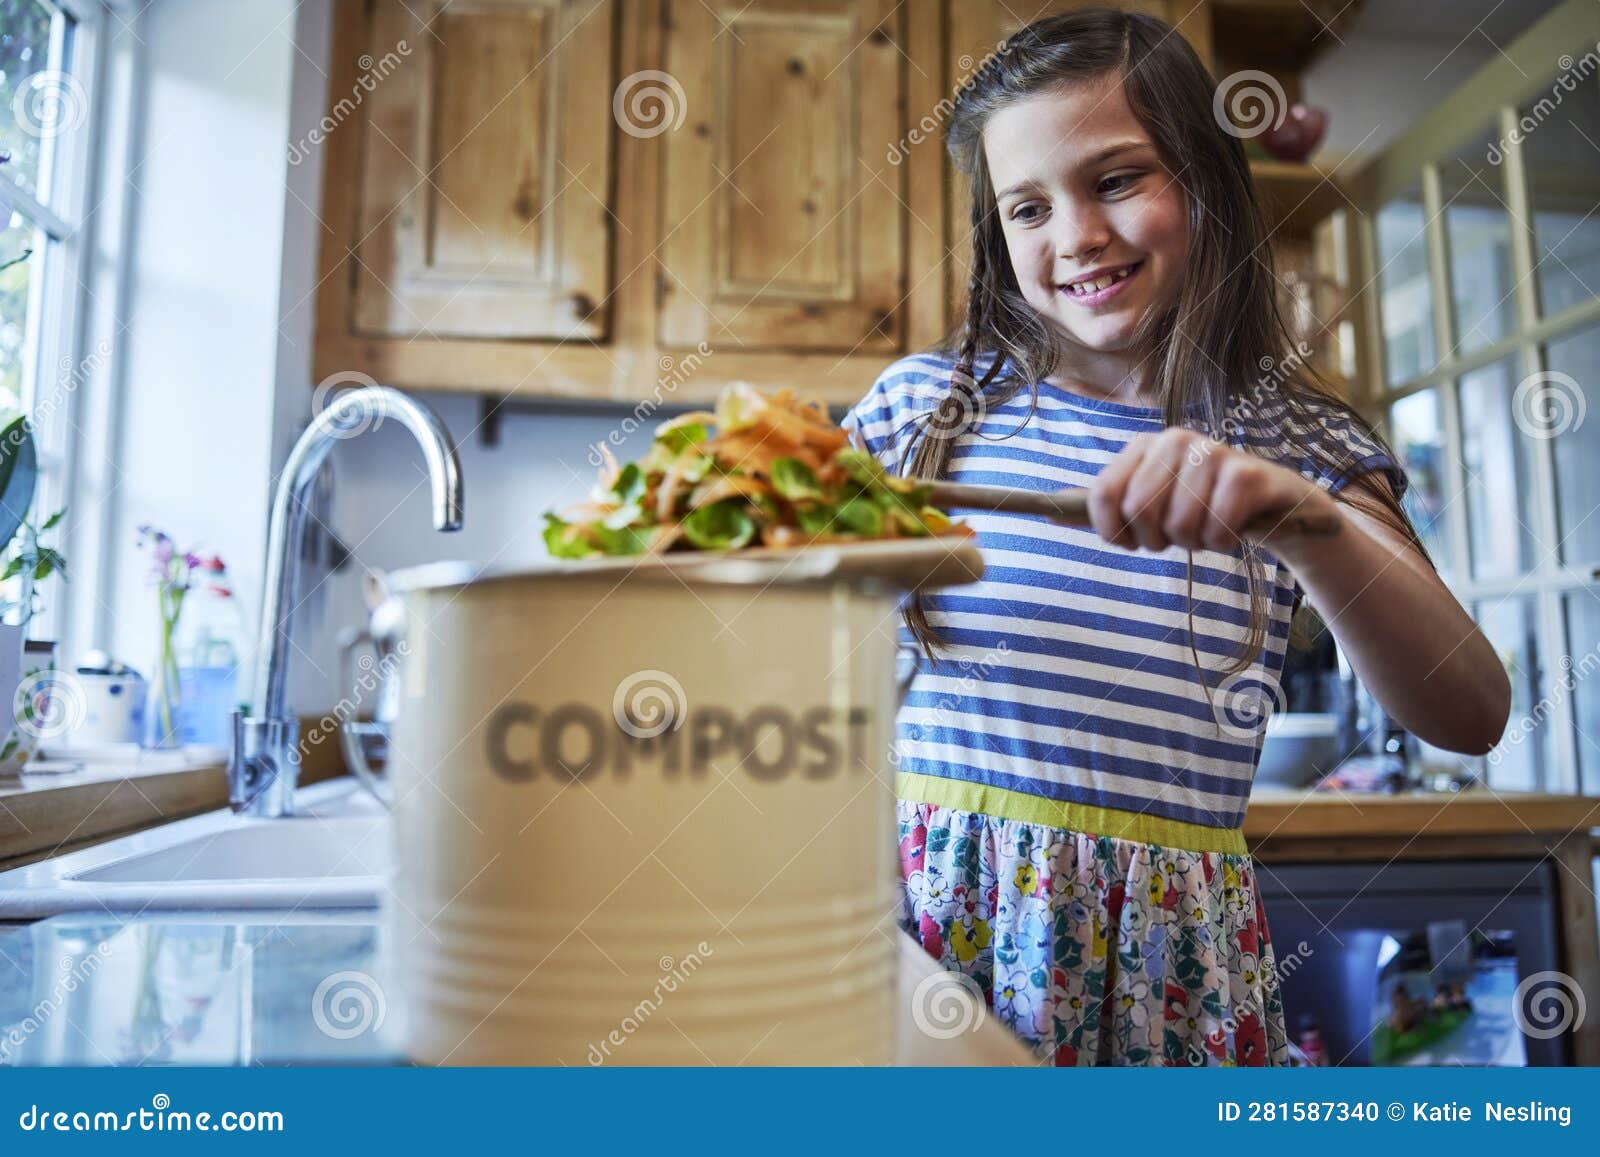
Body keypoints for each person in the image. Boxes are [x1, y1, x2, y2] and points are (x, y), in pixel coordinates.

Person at [842, 8, 1509, 1066]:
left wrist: (1306, 518)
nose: (1074, 236)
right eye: (1027, 207)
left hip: (1170, 968)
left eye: (1114, 180)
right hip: (924, 944)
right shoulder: (922, 412)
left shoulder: (1303, 441)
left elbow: (1470, 712)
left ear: (1206, 181)